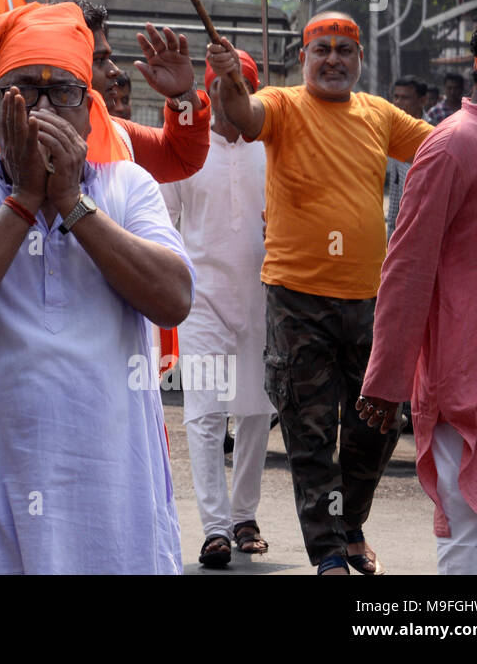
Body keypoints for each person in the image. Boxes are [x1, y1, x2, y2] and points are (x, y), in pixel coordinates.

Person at [0, 2, 193, 574]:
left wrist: (68, 201)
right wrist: (23, 202)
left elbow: (173, 299)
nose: (40, 109)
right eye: (20, 92)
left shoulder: (128, 186)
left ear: (90, 110)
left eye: (62, 92)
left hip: (112, 495)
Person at [206, 10, 433, 575]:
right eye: (322, 50)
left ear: (359, 60)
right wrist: (230, 80)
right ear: (302, 59)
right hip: (296, 298)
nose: (334, 59)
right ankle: (329, 550)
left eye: (344, 50)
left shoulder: (379, 114)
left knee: (376, 424)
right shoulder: (283, 105)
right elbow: (242, 114)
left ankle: (350, 523)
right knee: (309, 434)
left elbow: (440, 150)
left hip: (370, 300)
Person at [358, 2, 477, 574]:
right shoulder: (452, 144)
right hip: (468, 392)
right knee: (468, 545)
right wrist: (386, 385)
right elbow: (407, 269)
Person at [161, 49, 274, 568]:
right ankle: (214, 528)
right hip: (202, 299)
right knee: (205, 412)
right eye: (223, 86)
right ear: (209, 90)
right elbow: (163, 224)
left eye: (241, 85)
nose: (231, 95)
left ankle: (244, 513)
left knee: (257, 410)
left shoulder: (272, 146)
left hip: (265, 295)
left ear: (250, 91)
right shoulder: (186, 146)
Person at [386, 75, 427, 237]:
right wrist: (390, 235)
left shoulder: (437, 131)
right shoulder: (397, 137)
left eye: (405, 98)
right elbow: (395, 192)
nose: (398, 103)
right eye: (396, 97)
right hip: (406, 229)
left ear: (422, 100)